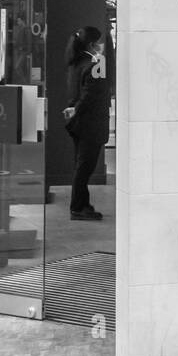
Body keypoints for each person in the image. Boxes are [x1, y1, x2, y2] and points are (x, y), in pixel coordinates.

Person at [62, 25, 109, 221]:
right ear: (92, 44)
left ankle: (83, 203)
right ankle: (78, 207)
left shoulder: (75, 63)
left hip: (77, 123)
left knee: (81, 165)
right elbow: (91, 94)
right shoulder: (96, 63)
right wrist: (78, 109)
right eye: (99, 42)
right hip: (90, 123)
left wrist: (74, 110)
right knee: (84, 167)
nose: (102, 46)